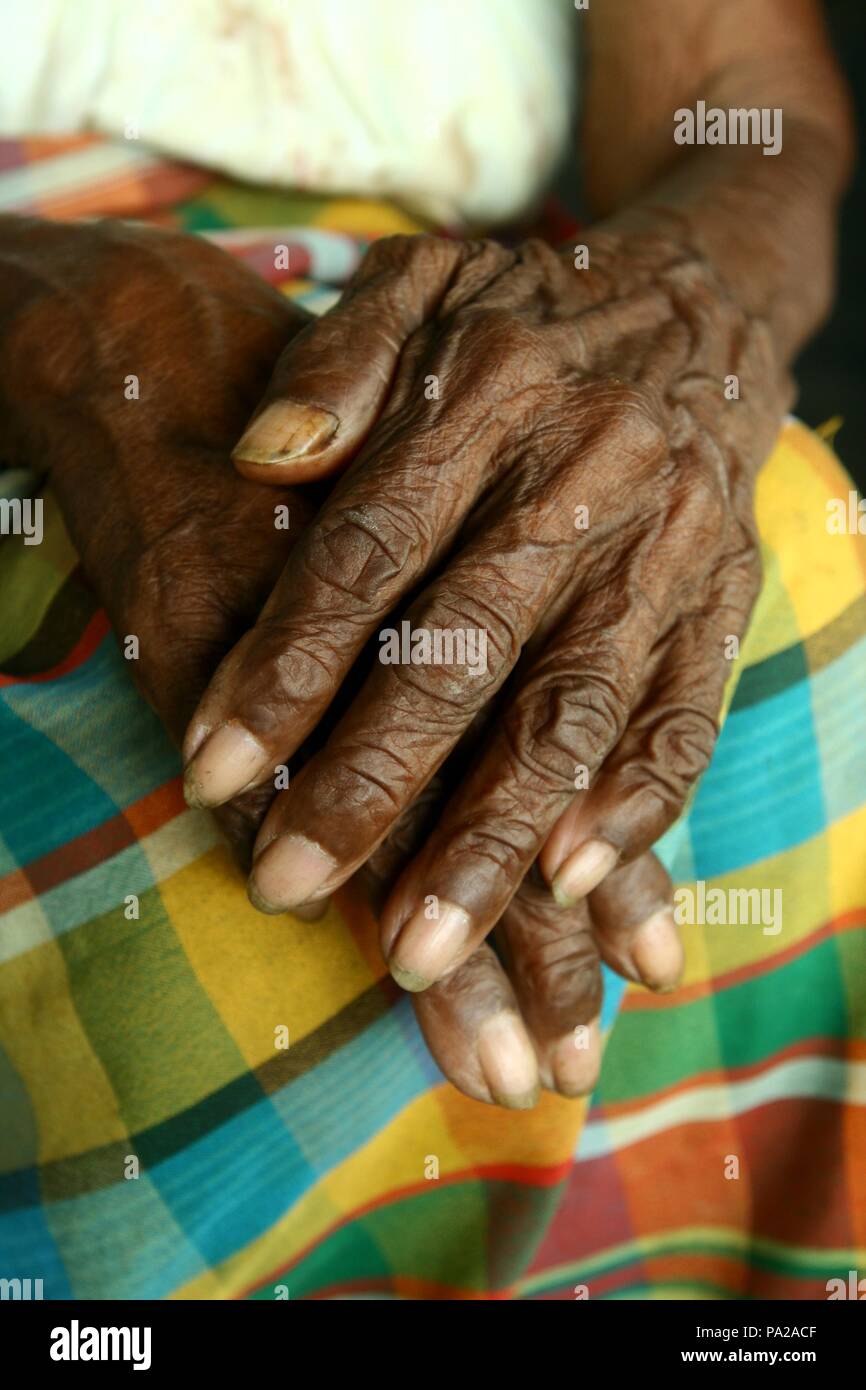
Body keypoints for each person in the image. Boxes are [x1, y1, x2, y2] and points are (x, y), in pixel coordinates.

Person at [0, 0, 863, 1300]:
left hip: (467, 327)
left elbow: (745, 99)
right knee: (218, 883)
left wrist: (675, 303)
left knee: (776, 552)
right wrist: (76, 306)